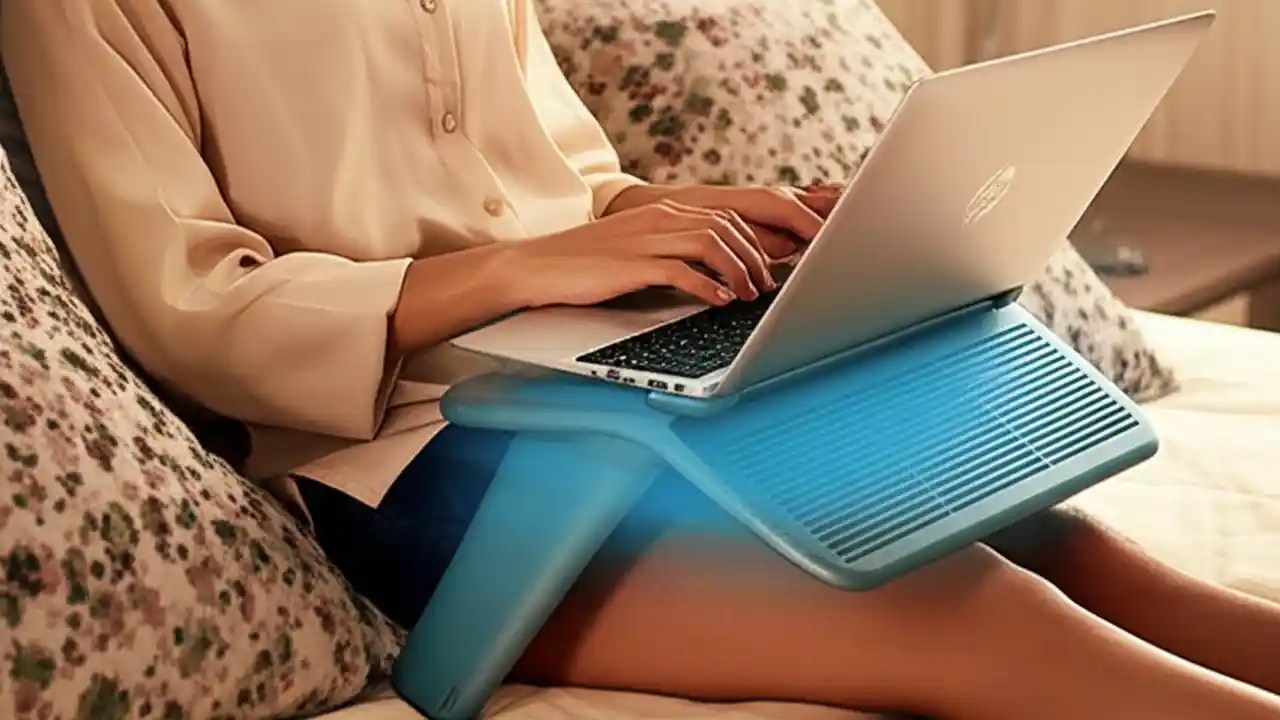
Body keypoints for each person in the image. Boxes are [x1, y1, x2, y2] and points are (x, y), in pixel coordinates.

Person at [5, 2, 1280, 718]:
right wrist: (515, 273)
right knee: (980, 613)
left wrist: (699, 216)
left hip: (606, 373)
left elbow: (565, 187)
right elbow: (189, 310)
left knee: (1055, 539)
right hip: (398, 457)